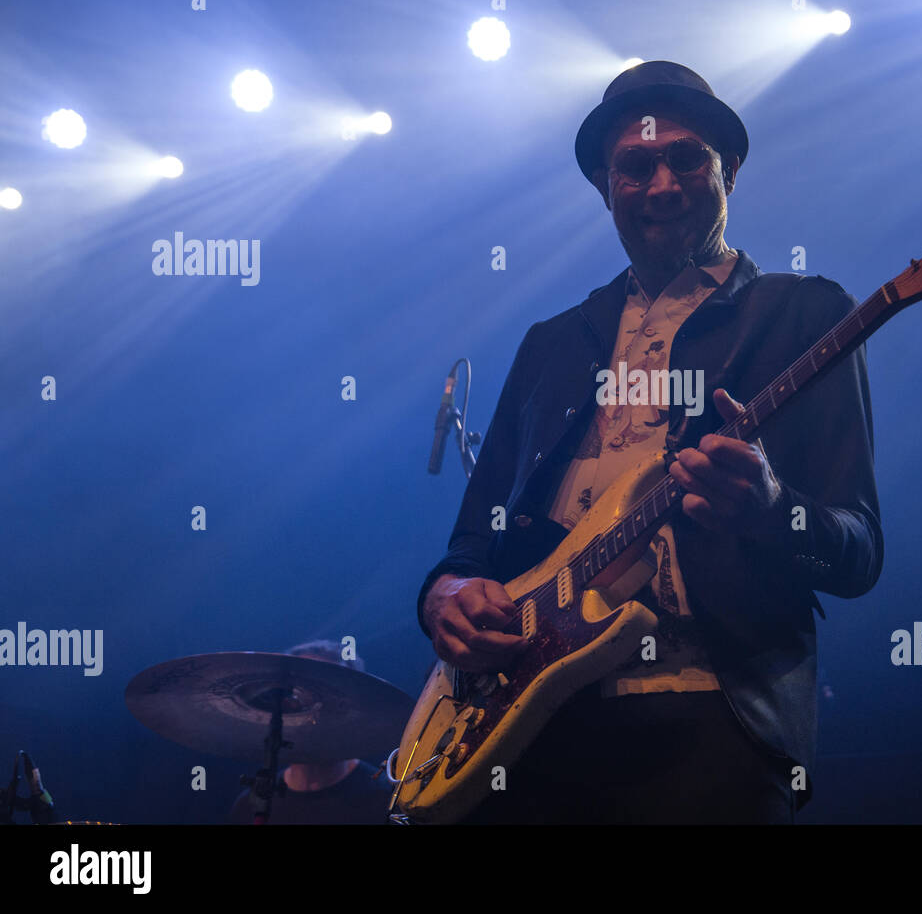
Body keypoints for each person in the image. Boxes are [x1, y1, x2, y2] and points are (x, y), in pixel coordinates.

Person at [417, 61, 884, 823]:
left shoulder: (804, 314)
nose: (662, 185)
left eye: (686, 158)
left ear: (729, 170)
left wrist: (767, 510)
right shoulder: (551, 344)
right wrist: (445, 596)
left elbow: (858, 552)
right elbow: (473, 542)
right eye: (635, 166)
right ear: (606, 188)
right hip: (536, 729)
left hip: (713, 726)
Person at [227, 640, 392, 825]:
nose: (308, 704)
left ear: (348, 707)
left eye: (325, 693)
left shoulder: (386, 799)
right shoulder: (250, 807)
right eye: (296, 694)